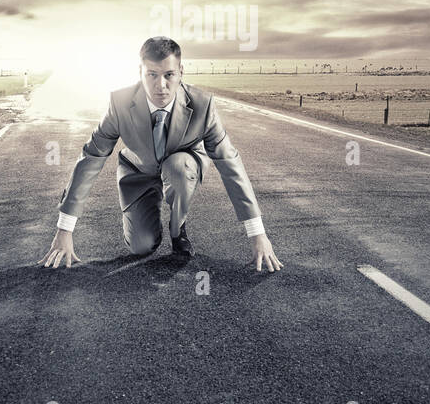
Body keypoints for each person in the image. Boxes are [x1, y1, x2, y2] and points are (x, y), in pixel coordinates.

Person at [38, 36, 283, 272]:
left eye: (169, 75)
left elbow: (230, 162)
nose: (161, 85)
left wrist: (257, 233)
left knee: (178, 168)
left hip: (181, 166)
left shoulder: (203, 105)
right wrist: (64, 229)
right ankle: (149, 223)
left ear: (181, 72)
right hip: (139, 172)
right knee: (141, 247)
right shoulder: (119, 103)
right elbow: (91, 158)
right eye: (152, 75)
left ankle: (178, 230)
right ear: (140, 72)